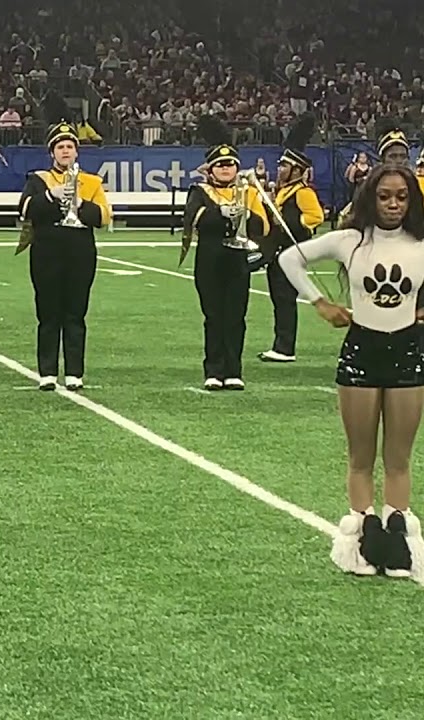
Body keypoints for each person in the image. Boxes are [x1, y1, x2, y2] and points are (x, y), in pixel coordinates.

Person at [277, 163, 424, 580]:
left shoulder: (421, 244)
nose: (393, 204)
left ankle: (398, 541)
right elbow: (290, 259)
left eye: (401, 196)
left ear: (411, 200)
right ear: (370, 198)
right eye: (384, 196)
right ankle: (363, 537)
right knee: (360, 456)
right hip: (361, 351)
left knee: (398, 458)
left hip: (408, 352)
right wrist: (320, 303)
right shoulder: (349, 241)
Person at [15, 97, 110, 390]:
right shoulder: (38, 180)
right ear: (52, 153)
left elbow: (103, 217)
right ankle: (46, 372)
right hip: (47, 253)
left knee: (75, 314)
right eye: (60, 147)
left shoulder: (91, 182)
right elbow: (26, 211)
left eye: (70, 146)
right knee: (48, 313)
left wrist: (80, 204)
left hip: (80, 253)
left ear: (76, 151)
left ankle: (74, 372)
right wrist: (50, 196)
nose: (65, 151)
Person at [179, 116, 269, 391]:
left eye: (230, 164)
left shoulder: (249, 192)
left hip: (237, 260)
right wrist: (222, 212)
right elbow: (195, 221)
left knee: (236, 316)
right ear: (211, 169)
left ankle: (234, 370)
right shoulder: (200, 192)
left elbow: (262, 227)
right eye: (220, 164)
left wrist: (245, 211)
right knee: (214, 316)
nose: (226, 168)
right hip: (210, 258)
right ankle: (214, 369)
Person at [257, 114, 324, 364]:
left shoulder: (303, 192)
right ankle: (280, 344)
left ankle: (285, 347)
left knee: (285, 300)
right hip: (279, 253)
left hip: (291, 252)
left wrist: (290, 226)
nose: (280, 169)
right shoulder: (283, 190)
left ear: (296, 169)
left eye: (284, 166)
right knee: (279, 300)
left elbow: (315, 217)